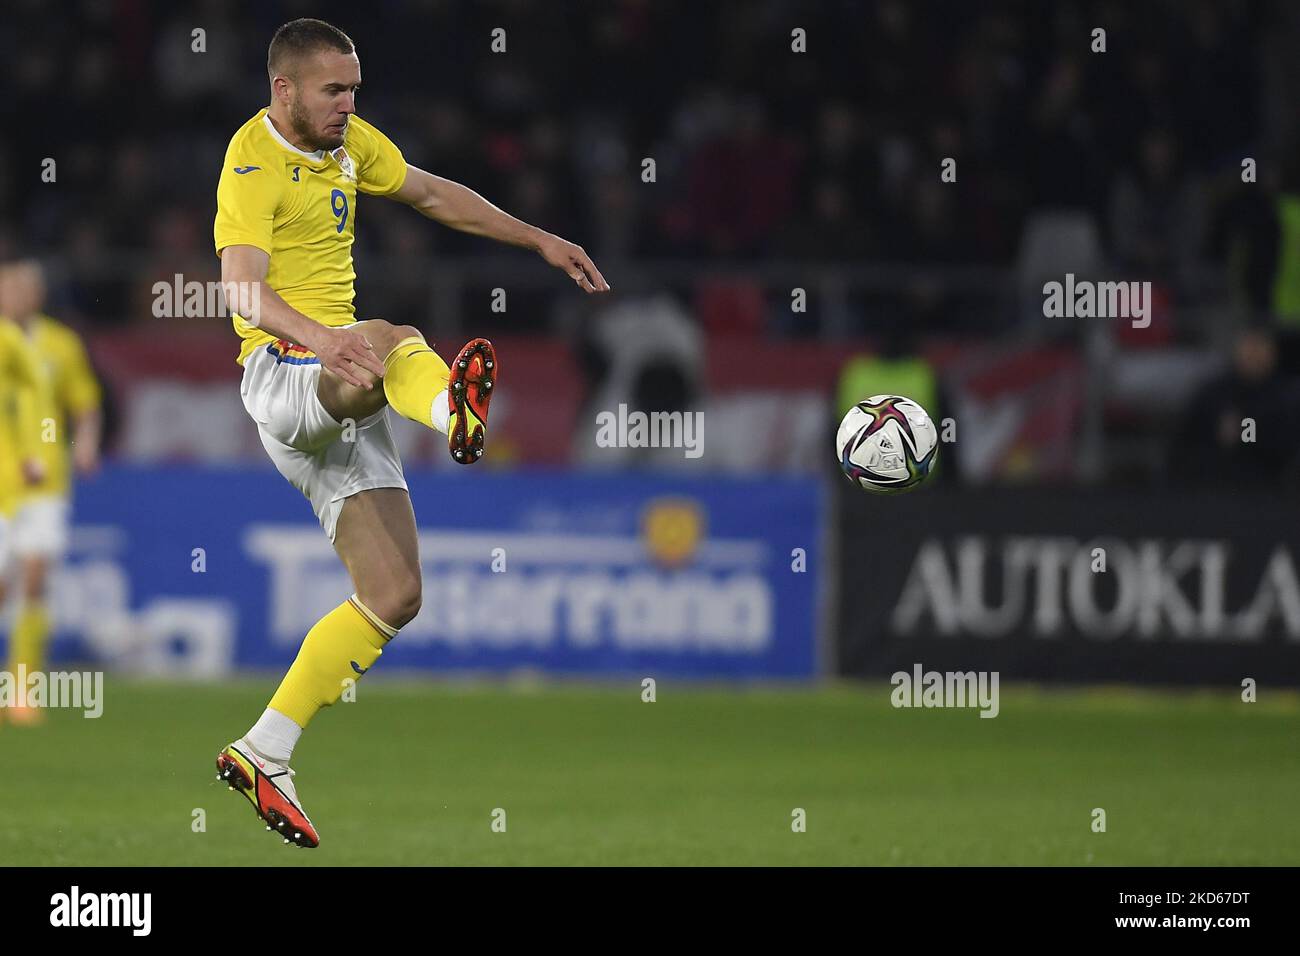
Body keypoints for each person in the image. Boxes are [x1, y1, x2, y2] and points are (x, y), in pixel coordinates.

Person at [213, 18, 609, 847]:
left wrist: (537, 237)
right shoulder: (251, 163)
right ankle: (449, 415)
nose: (349, 104)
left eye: (355, 88)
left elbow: (431, 193)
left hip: (338, 389)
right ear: (283, 88)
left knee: (395, 595)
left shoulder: (350, 144)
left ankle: (265, 752)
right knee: (390, 338)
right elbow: (240, 293)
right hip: (287, 376)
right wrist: (326, 339)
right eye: (333, 91)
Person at [0, 261, 102, 727]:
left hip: (46, 480)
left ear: (37, 294)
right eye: (8, 288)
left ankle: (22, 688)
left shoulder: (61, 343)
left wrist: (87, 447)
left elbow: (84, 401)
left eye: (23, 288)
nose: (15, 295)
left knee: (36, 574)